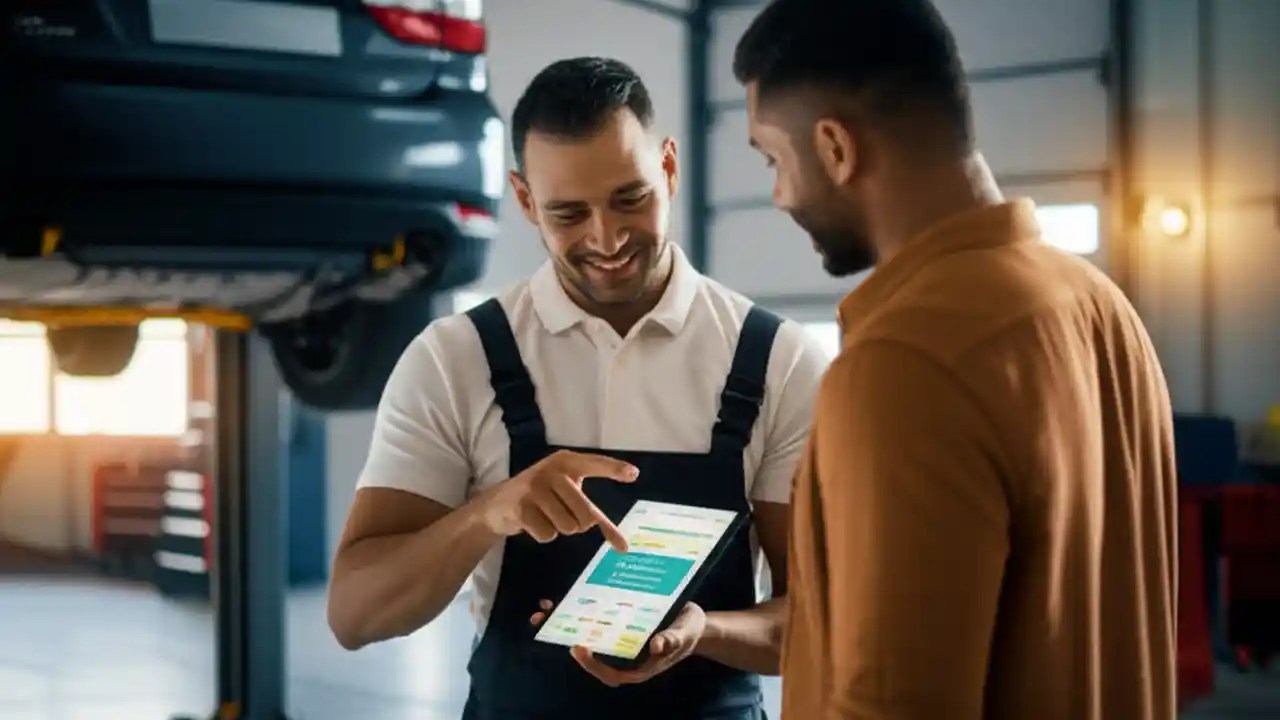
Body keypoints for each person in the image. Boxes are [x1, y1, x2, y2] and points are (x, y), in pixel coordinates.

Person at [326, 56, 830, 719]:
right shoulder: (454, 360)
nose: (608, 238)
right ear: (526, 199)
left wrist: (706, 631)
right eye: (568, 213)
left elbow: (825, 620)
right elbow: (355, 615)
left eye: (632, 198)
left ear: (670, 168)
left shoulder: (776, 361)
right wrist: (489, 513)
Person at [732, 1, 1178, 719]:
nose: (779, 195)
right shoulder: (1103, 308)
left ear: (836, 148)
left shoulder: (906, 362)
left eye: (774, 160)